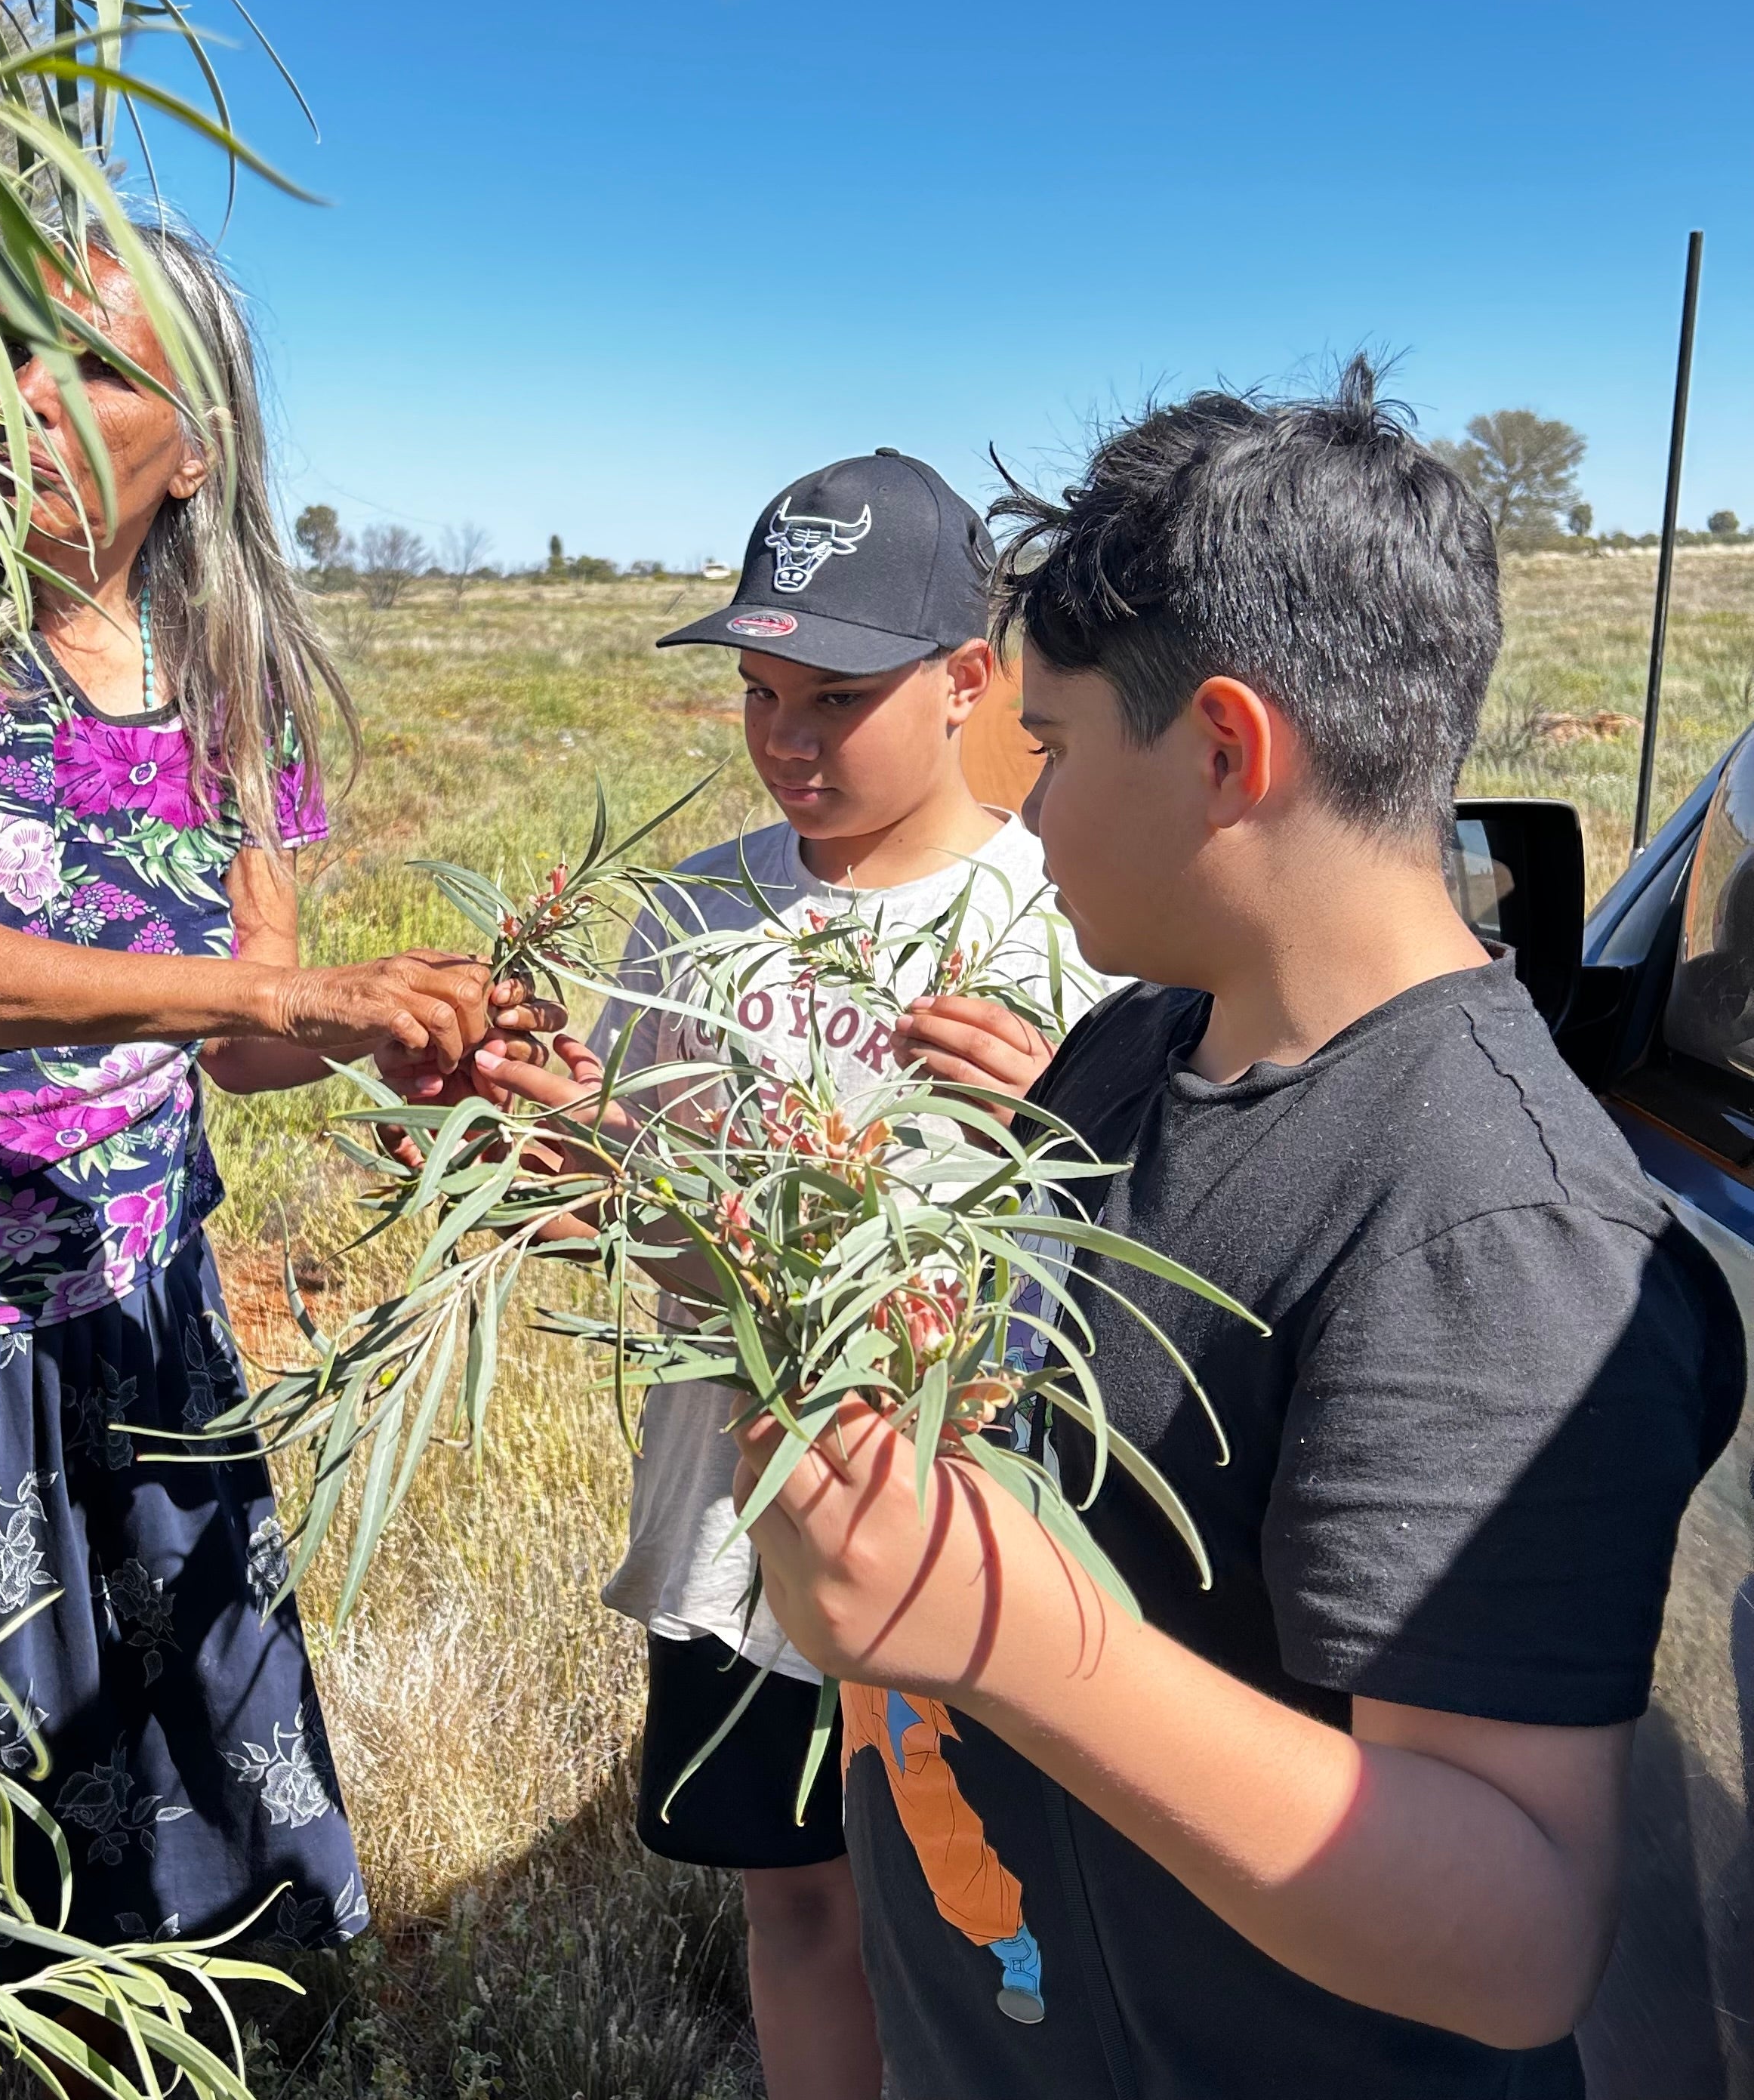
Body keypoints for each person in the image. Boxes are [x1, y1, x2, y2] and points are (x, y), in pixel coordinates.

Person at [729, 362, 1747, 2097]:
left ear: (1221, 749)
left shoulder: (1486, 1227)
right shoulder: (1142, 1044)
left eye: (1047, 747)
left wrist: (1004, 1635)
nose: (1028, 808)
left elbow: (1520, 1935)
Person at [0, 221, 535, 1954]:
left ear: (196, 445)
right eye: (0, 346)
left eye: (96, 370)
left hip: (123, 1308)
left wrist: (391, 1038)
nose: (21, 402)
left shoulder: (235, 685)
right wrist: (288, 985)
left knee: (150, 1865)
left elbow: (236, 1039)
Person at [456, 452, 1102, 2099]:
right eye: (758, 693)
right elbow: (645, 1225)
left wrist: (1069, 1119)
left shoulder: (1063, 923)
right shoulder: (697, 911)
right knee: (800, 1906)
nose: (785, 740)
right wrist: (554, 1154)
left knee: (998, 1925)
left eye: (836, 695)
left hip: (967, 1536)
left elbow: (1137, 1253)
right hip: (737, 1534)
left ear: (971, 678)